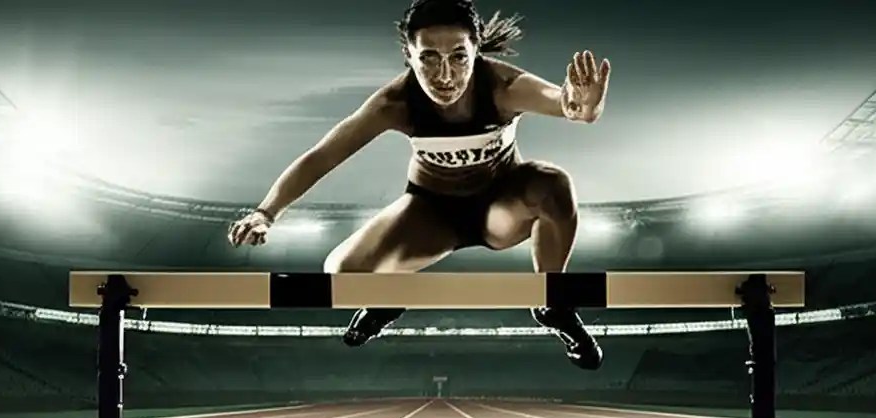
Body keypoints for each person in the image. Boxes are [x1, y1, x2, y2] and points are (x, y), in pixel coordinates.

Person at [227, 0, 612, 369]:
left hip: (502, 209)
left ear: (476, 51)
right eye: (428, 58)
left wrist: (581, 108)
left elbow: (564, 103)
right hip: (432, 212)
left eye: (458, 57)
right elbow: (323, 155)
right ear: (409, 56)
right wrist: (266, 212)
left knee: (554, 183)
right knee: (341, 273)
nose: (445, 76)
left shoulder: (502, 86)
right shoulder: (395, 103)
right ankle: (385, 301)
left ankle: (553, 304)